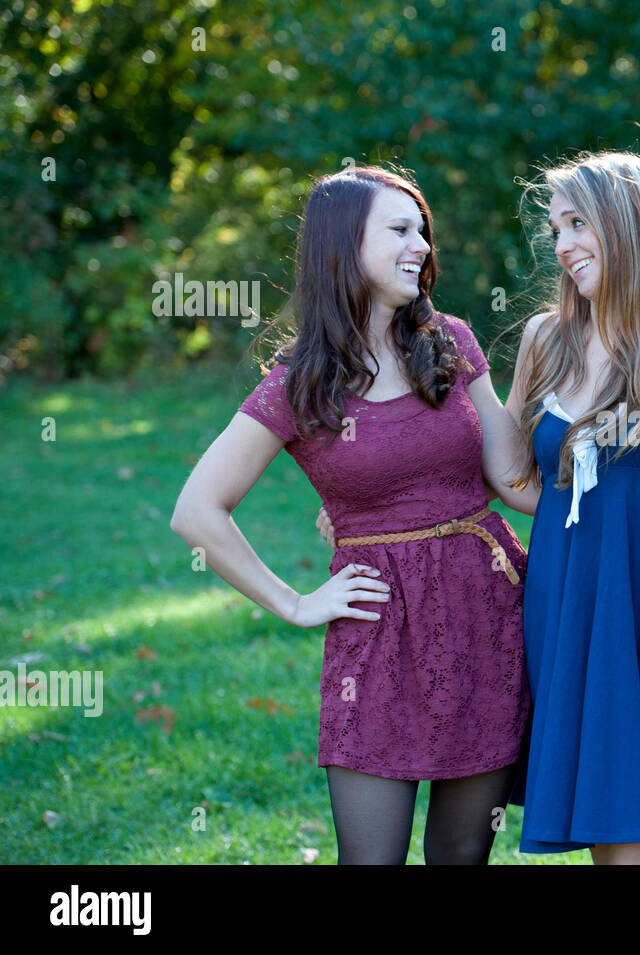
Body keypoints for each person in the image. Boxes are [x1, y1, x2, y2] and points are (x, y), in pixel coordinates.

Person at [171, 165, 533, 865]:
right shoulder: (301, 382)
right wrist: (296, 602)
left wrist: (622, 498)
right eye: (399, 229)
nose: (421, 244)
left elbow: (514, 478)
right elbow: (198, 509)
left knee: (462, 855)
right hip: (375, 635)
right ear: (344, 246)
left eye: (421, 229)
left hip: (486, 617)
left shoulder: (451, 341)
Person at [503, 152, 640, 864]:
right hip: (565, 602)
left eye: (577, 223)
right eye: (556, 227)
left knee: (637, 832)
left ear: (630, 225)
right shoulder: (546, 338)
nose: (562, 244)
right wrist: (363, 505)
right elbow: (505, 467)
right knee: (604, 831)